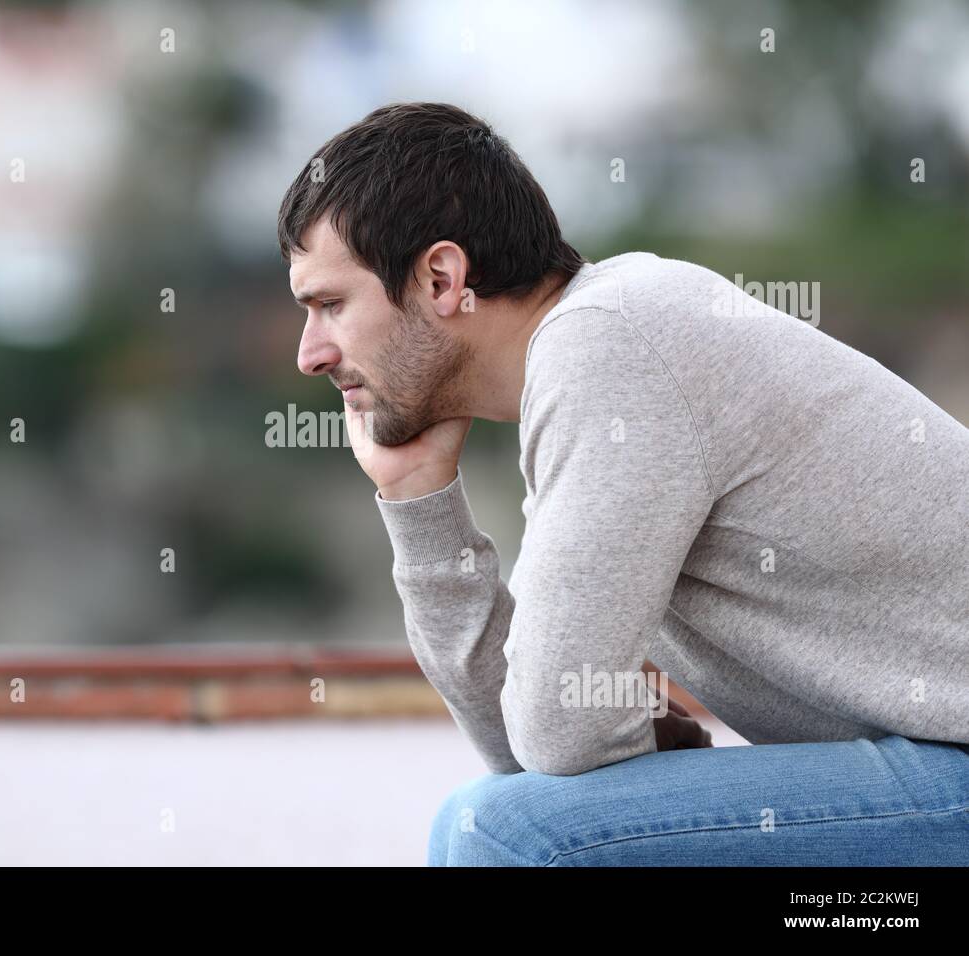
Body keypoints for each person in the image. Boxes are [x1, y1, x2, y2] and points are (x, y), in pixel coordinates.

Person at [276, 102, 969, 865]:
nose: (310, 354)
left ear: (442, 277)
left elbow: (549, 734)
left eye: (330, 305)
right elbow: (531, 747)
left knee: (498, 832)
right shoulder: (595, 353)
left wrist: (615, 732)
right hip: (935, 764)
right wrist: (417, 497)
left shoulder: (609, 345)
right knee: (509, 820)